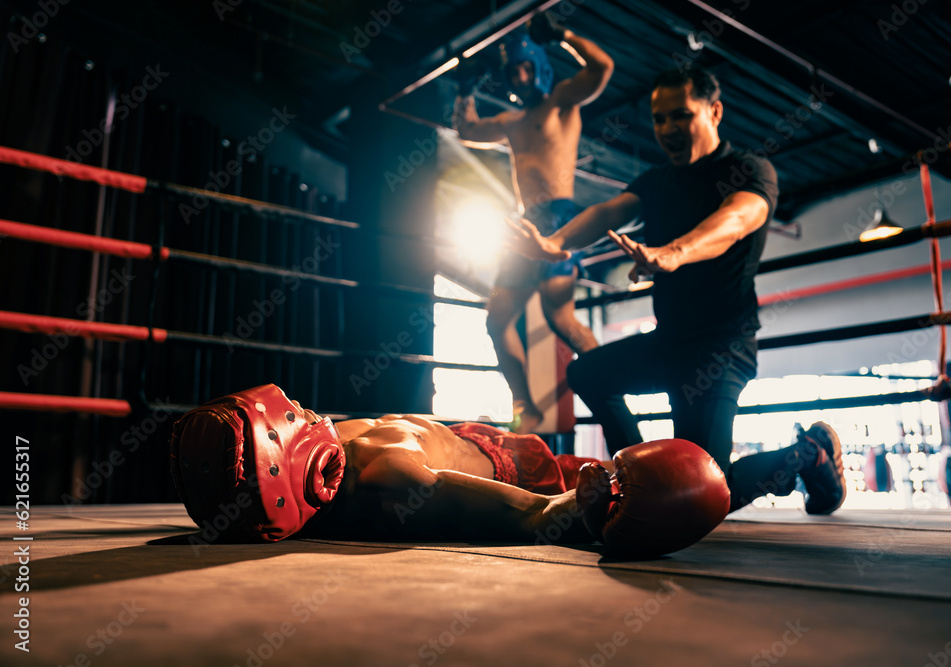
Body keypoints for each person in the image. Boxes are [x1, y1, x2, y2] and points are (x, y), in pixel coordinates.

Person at [508, 64, 846, 514]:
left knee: (702, 493)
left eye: (681, 115)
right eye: (659, 118)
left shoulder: (748, 169)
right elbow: (607, 213)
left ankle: (808, 455)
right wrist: (554, 243)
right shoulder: (656, 182)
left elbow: (733, 222)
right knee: (588, 373)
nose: (668, 128)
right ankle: (631, 479)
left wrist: (675, 252)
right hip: (669, 345)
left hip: (720, 350)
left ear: (714, 112)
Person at [170, 384, 731, 555]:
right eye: (292, 418)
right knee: (708, 482)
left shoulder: (324, 464)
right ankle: (796, 462)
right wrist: (587, 504)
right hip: (515, 466)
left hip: (472, 435)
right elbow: (537, 516)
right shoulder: (391, 477)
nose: (303, 411)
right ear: (312, 471)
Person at [452, 13, 614, 433]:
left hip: (560, 216)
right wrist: (464, 88)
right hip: (525, 225)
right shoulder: (512, 121)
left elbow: (603, 68)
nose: (520, 78)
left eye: (525, 67)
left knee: (561, 318)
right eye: (513, 72)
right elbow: (467, 129)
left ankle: (609, 389)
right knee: (496, 319)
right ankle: (526, 407)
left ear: (539, 65)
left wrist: (564, 35)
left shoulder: (562, 101)